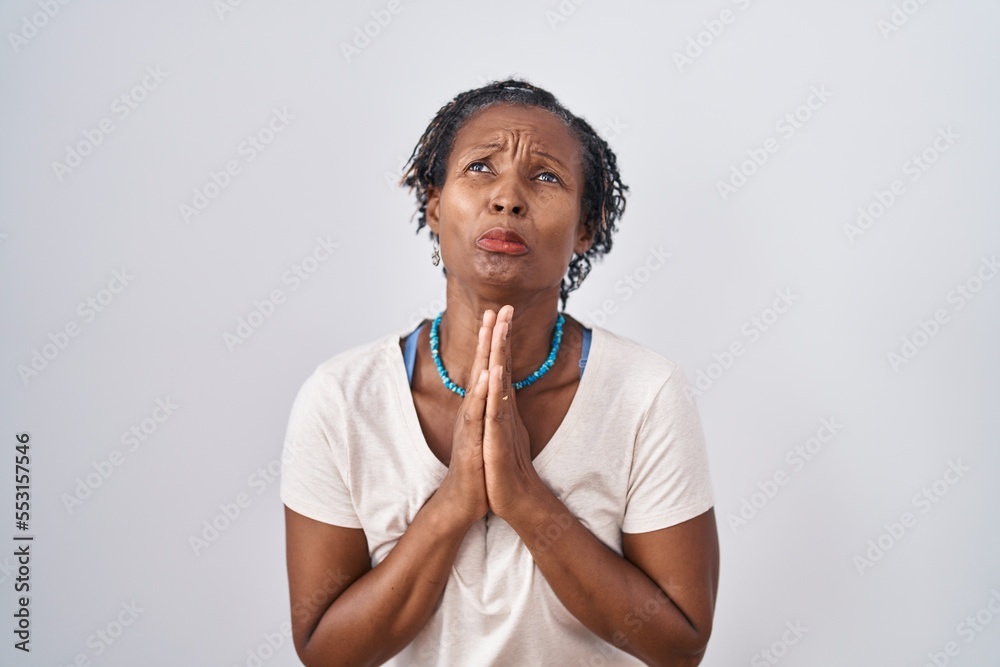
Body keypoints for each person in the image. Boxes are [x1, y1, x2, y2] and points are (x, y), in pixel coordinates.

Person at [280, 79, 719, 666]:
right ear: (434, 205)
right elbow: (325, 652)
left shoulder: (646, 391)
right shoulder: (340, 399)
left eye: (545, 177)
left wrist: (526, 498)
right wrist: (456, 500)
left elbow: (679, 644)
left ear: (585, 229)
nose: (507, 198)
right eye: (481, 168)